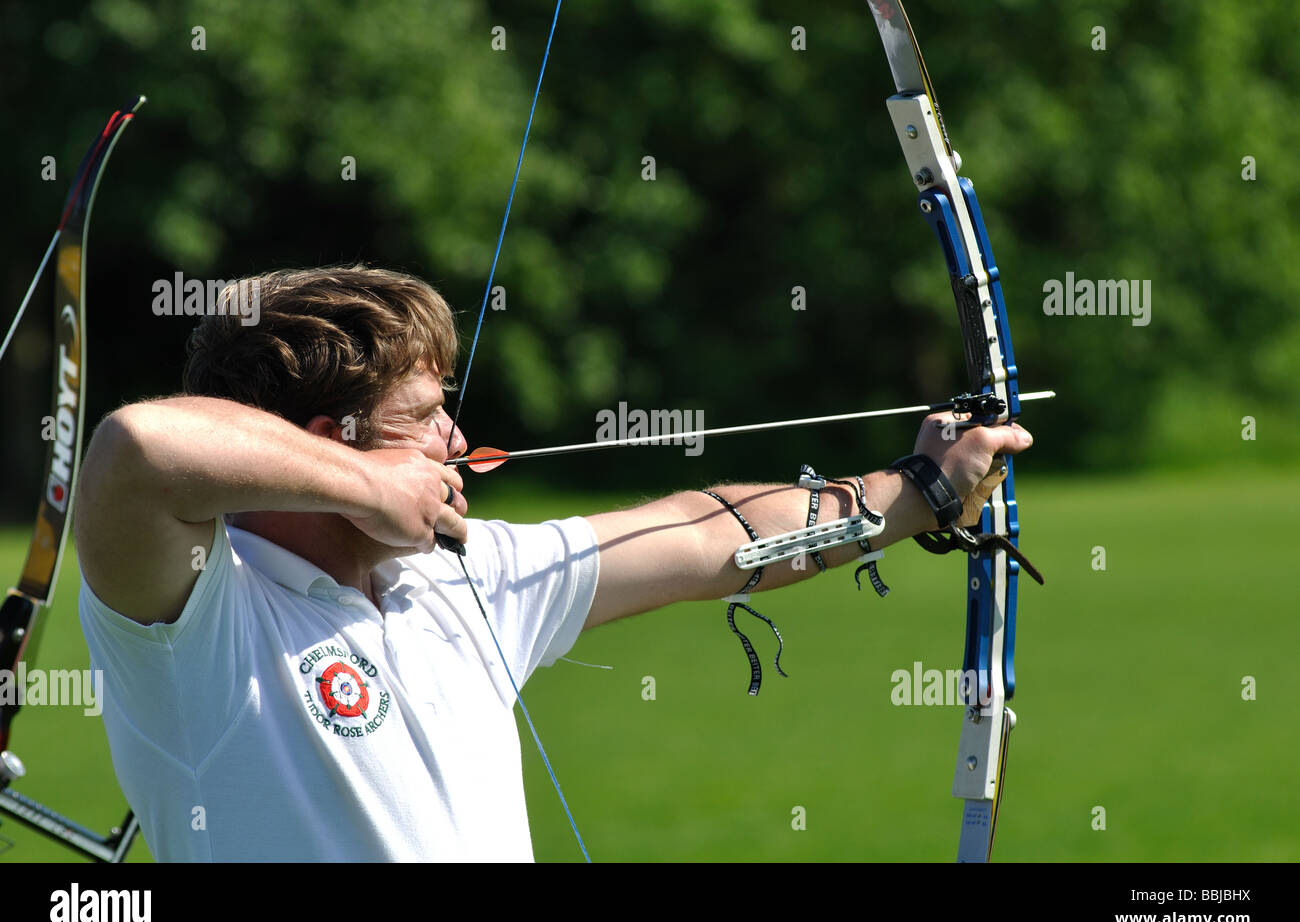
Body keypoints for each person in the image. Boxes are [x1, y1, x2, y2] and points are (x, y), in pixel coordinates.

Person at [74, 265, 1034, 861]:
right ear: (334, 442)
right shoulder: (198, 619)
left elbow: (703, 533)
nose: (457, 439)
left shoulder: (458, 575)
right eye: (425, 418)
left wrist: (921, 490)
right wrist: (372, 489)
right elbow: (136, 448)